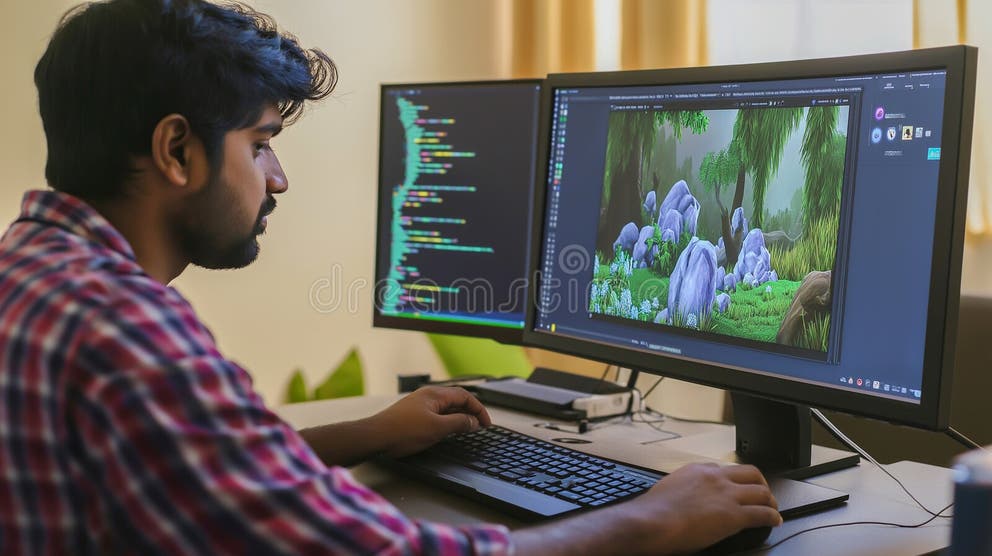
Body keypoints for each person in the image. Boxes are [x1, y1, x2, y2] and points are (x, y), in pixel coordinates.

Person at [0, 0, 782, 554]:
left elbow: (181, 466)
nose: (277, 179)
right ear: (177, 151)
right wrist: (648, 523)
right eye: (261, 143)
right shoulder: (128, 332)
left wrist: (361, 436)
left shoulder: (32, 273)